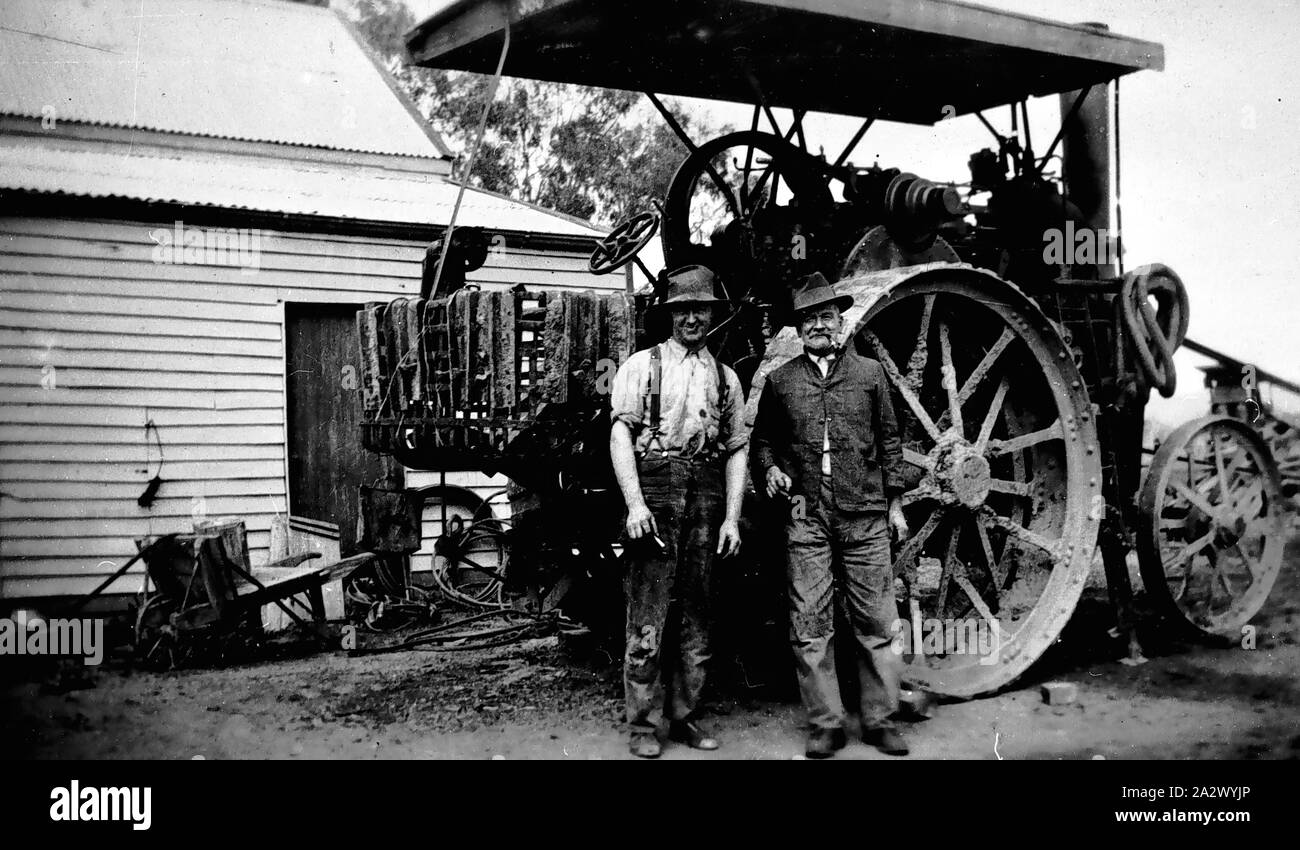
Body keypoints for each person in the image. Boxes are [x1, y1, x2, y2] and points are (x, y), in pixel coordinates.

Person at [749, 271, 911, 759]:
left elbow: (891, 441)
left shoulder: (870, 374)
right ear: (797, 329)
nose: (819, 325)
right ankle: (825, 723)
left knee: (877, 622)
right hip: (806, 515)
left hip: (864, 513)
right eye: (809, 319)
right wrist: (772, 469)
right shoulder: (781, 381)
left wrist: (896, 505)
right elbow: (762, 442)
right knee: (810, 623)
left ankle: (881, 720)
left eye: (826, 316)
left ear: (841, 321)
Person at [608, 264, 747, 759]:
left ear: (712, 313)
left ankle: (684, 716)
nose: (692, 317)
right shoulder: (640, 367)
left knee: (697, 614)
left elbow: (736, 450)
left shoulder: (727, 379)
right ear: (669, 313)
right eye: (683, 308)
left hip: (707, 493)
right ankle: (643, 724)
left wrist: (731, 517)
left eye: (700, 309)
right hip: (657, 489)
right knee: (647, 613)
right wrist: (635, 504)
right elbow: (621, 434)